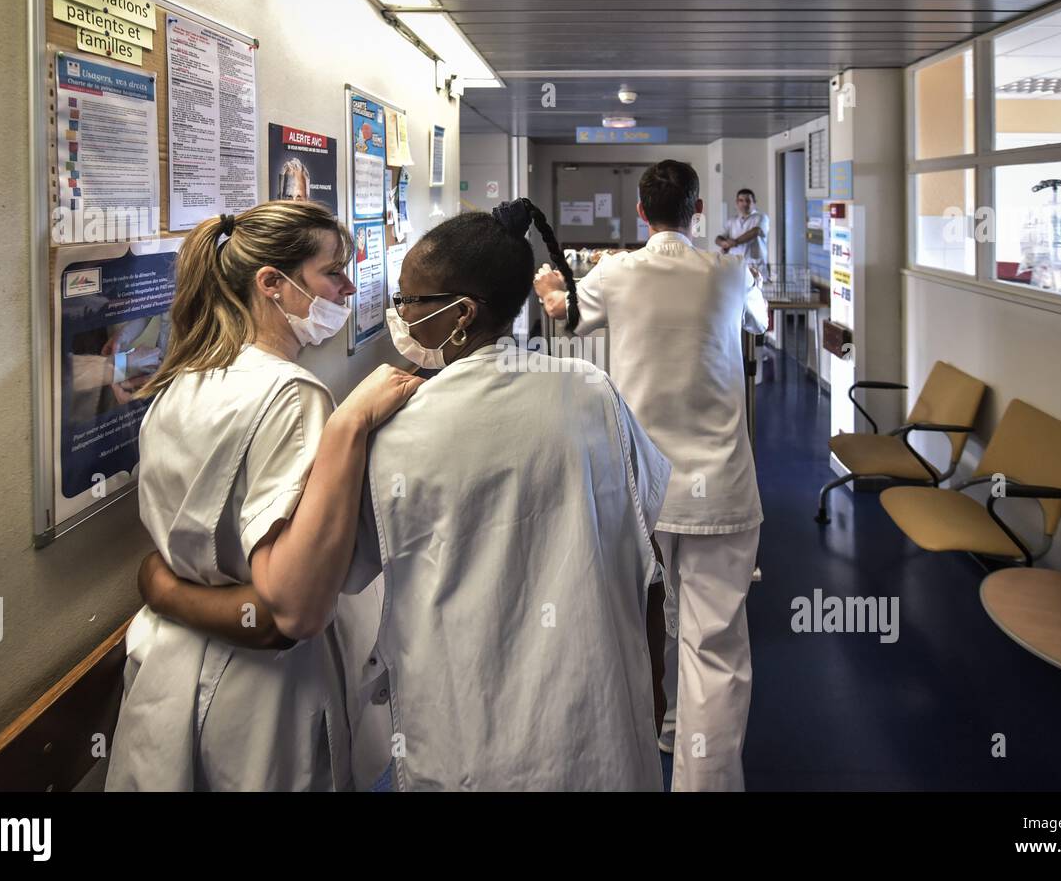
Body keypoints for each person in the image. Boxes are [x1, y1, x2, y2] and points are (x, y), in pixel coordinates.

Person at [137, 200, 673, 791]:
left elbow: (299, 598)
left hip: (465, 737)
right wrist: (653, 690)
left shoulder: (387, 430)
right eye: (334, 272)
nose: (393, 314)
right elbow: (647, 554)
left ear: (461, 314)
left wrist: (163, 588)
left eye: (409, 303)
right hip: (600, 725)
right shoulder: (592, 391)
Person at [105, 199, 422, 792]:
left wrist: (164, 587)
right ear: (272, 284)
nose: (350, 288)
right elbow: (292, 611)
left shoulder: (183, 379)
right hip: (259, 698)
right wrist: (350, 426)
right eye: (333, 271)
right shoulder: (292, 396)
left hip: (167, 673)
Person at [535, 160, 768, 792]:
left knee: (645, 616)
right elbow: (762, 323)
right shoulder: (730, 271)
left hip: (641, 486)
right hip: (720, 489)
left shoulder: (614, 273)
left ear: (642, 212)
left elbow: (564, 315)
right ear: (696, 212)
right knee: (712, 644)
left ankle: (661, 730)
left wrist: (549, 284)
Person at [715, 187, 769, 268]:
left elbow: (755, 231)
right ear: (737, 202)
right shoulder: (731, 221)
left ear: (754, 202)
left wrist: (735, 242)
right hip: (735, 265)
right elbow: (718, 239)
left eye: (748, 200)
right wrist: (725, 244)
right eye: (741, 200)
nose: (745, 204)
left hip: (755, 266)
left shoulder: (761, 217)